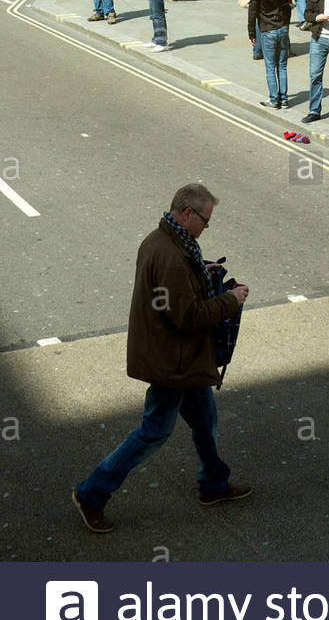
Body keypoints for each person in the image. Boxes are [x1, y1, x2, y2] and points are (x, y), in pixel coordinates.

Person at [72, 183, 250, 531]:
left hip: (184, 359)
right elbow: (186, 315)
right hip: (174, 363)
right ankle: (91, 493)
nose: (207, 227)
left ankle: (214, 484)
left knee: (204, 421)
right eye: (205, 220)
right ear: (187, 214)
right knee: (153, 432)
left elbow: (177, 291)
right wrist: (233, 300)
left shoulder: (164, 241)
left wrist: (204, 271)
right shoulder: (171, 256)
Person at [248, 0, 299, 109]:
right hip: (282, 28)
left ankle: (273, 99)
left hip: (267, 29)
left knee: (270, 66)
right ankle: (284, 99)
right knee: (282, 65)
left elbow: (252, 12)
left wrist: (252, 34)